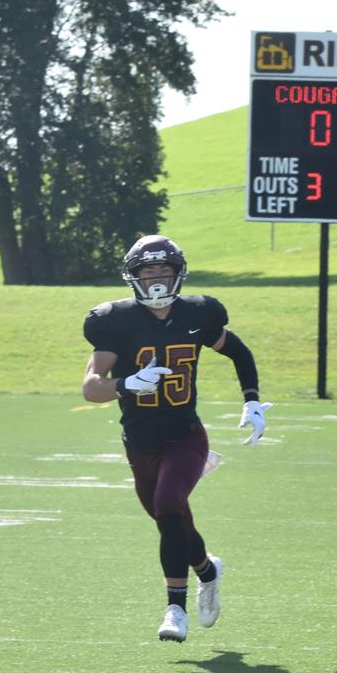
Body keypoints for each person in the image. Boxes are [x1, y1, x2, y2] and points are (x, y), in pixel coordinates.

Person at [81, 234, 270, 643]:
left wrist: (252, 401)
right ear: (134, 277)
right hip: (138, 440)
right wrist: (128, 383)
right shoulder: (115, 320)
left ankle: (174, 610)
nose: (156, 280)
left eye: (163, 271)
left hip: (186, 436)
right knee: (173, 522)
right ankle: (208, 570)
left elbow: (239, 352)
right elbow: (91, 388)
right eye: (148, 272)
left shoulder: (197, 315)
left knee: (169, 505)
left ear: (177, 273)